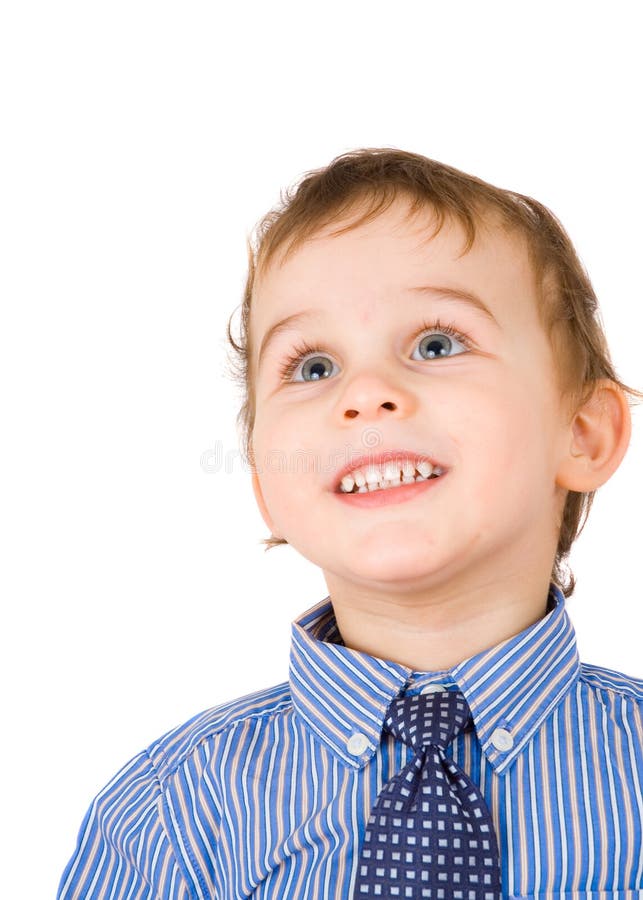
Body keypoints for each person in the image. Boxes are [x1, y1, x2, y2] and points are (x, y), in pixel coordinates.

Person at [58, 148, 643, 899]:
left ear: (582, 434)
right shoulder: (171, 816)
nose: (366, 393)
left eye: (436, 343)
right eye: (312, 367)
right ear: (266, 482)